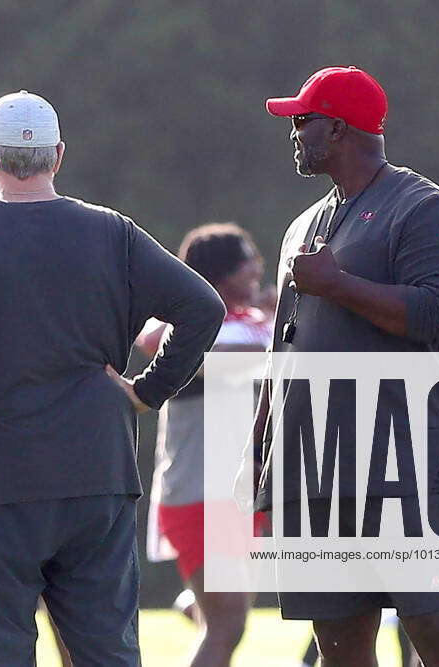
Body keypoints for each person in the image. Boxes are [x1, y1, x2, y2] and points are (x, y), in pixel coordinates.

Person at [0, 90, 225, 665]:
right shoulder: (112, 232)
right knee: (105, 652)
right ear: (58, 155)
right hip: (97, 472)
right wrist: (147, 391)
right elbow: (202, 308)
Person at [255, 66, 439, 666]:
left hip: (410, 459)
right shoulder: (303, 223)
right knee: (340, 644)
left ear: (338, 129)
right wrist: (265, 450)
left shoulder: (425, 207)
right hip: (320, 465)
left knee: (438, 632)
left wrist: (339, 285)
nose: (294, 132)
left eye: (303, 120)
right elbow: (286, 347)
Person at [138, 223, 271, 666]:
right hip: (200, 492)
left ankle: (193, 603)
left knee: (226, 613)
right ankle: (197, 604)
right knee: (228, 624)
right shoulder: (188, 326)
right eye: (247, 259)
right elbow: (154, 340)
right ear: (220, 273)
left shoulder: (255, 322)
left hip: (238, 494)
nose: (258, 267)